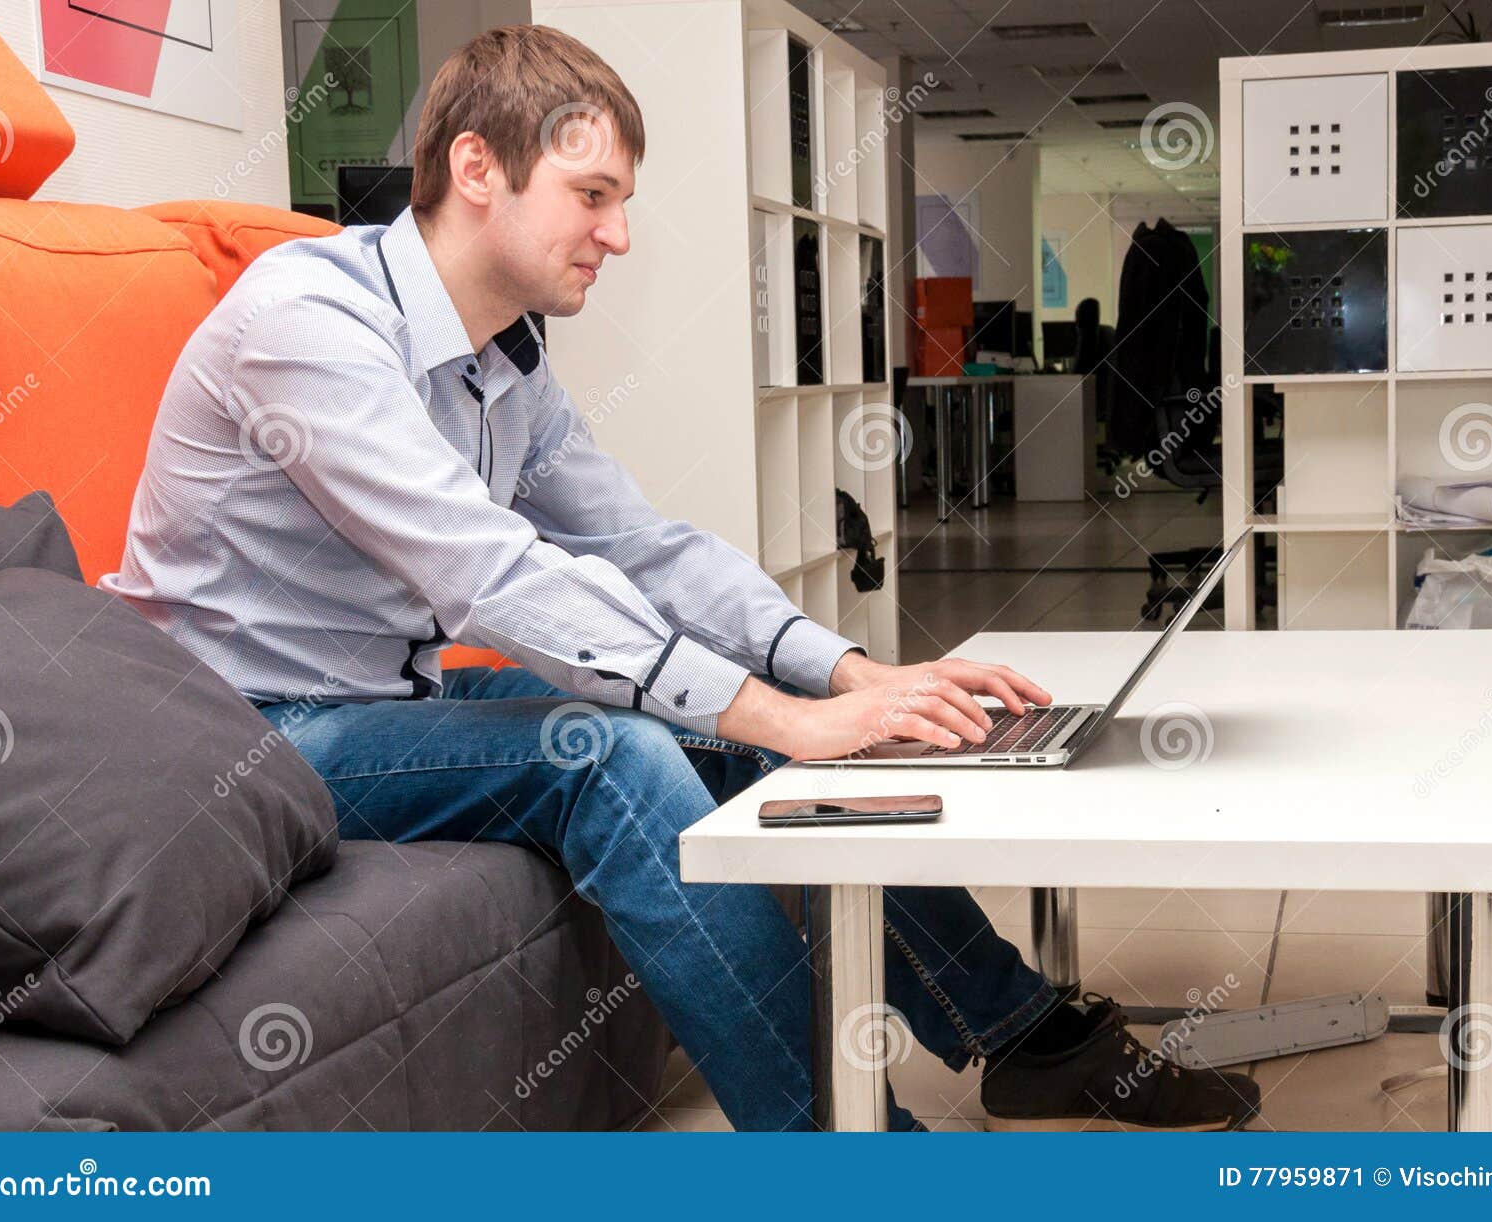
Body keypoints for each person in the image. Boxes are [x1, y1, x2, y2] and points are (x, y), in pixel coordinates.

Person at [99, 24, 1260, 1133]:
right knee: (612, 752)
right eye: (592, 196)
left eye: (621, 202)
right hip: (246, 738)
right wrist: (782, 716)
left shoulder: (503, 360)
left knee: (730, 717)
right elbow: (486, 572)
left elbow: (642, 546)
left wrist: (842, 677)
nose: (617, 235)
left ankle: (1021, 1032)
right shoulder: (309, 320)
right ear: (477, 168)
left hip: (385, 699)